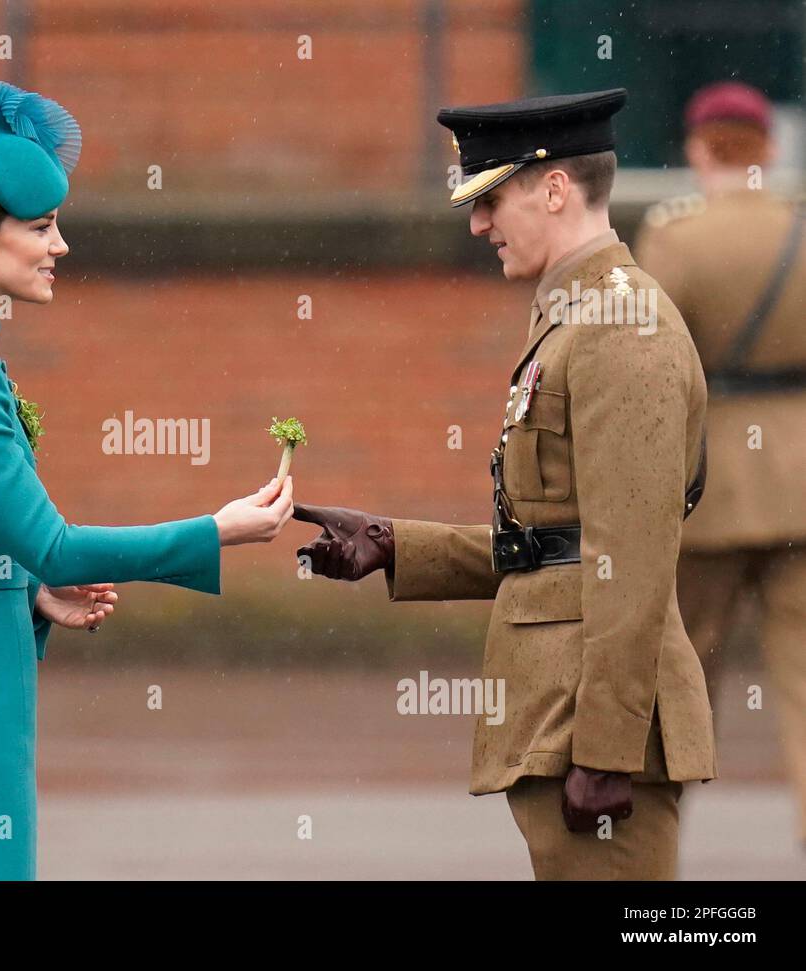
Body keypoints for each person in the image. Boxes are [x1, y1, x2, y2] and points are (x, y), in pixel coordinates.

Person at [0, 80, 293, 880]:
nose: (61, 245)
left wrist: (20, 592)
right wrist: (215, 531)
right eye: (42, 226)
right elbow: (51, 542)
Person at [295, 89, 715, 880]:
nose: (478, 223)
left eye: (491, 199)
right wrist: (395, 546)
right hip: (558, 720)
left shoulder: (621, 329)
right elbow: (556, 546)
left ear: (554, 188)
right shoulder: (576, 316)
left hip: (589, 735)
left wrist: (608, 749)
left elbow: (633, 556)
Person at [635, 81, 806, 848]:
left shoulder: (675, 236)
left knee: (681, 679)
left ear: (701, 149)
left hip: (706, 481)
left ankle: (648, 846)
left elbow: (649, 366)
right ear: (768, 148)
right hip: (800, 481)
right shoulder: (799, 230)